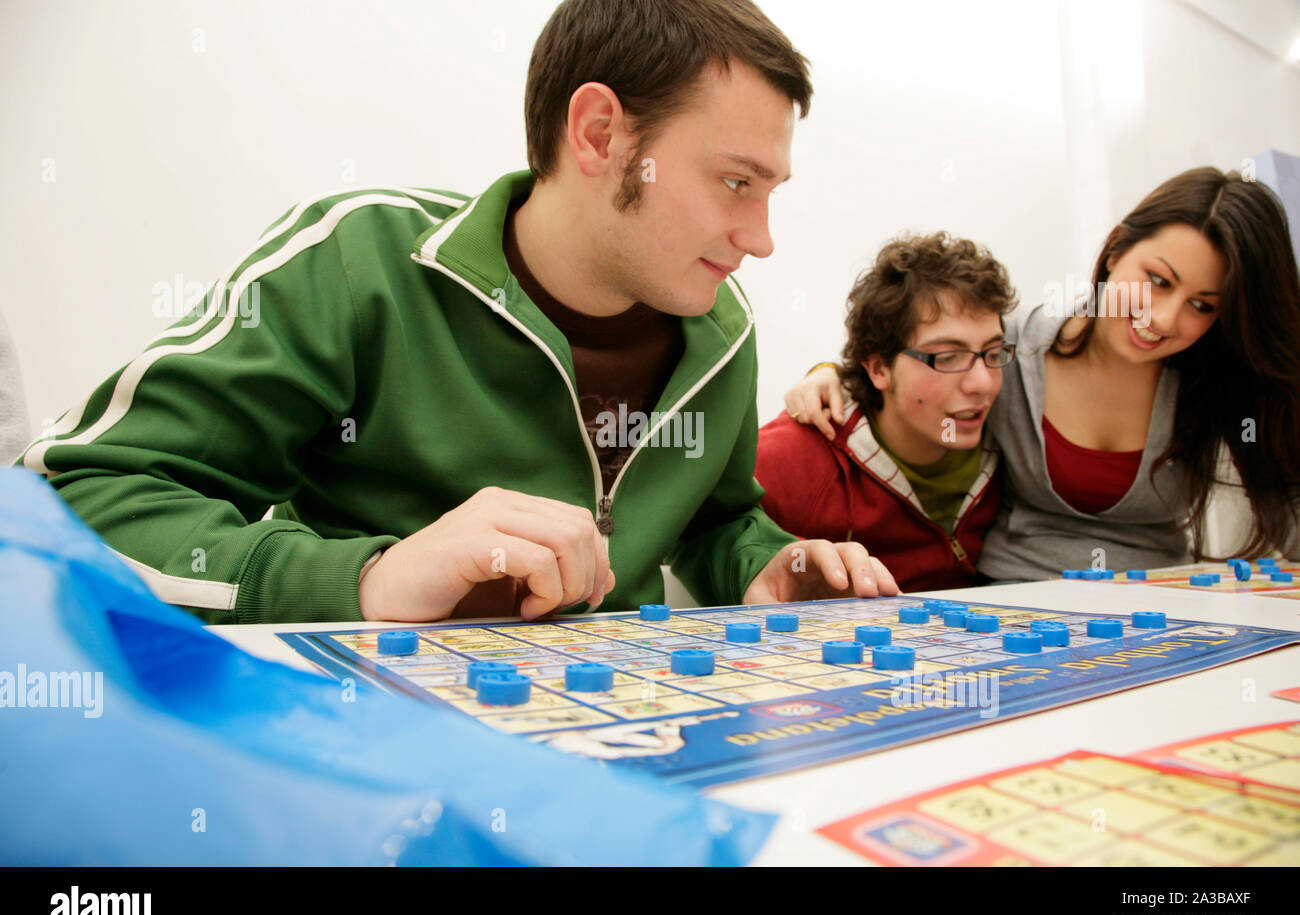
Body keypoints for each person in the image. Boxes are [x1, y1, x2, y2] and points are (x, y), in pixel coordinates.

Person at [18, 0, 900, 626]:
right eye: (735, 182)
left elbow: (714, 524)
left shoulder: (723, 329)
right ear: (599, 135)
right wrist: (363, 580)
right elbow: (72, 493)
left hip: (626, 753)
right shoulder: (357, 259)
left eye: (770, 192)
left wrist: (766, 567)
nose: (762, 239)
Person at [783, 168, 1300, 579]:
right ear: (1116, 251)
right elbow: (900, 357)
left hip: (1164, 607)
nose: (1164, 319)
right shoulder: (1005, 346)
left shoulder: (1216, 381)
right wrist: (827, 371)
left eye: (1203, 306)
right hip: (1018, 606)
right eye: (1158, 281)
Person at [757, 233, 1017, 591]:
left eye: (993, 352)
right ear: (879, 368)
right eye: (947, 357)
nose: (982, 383)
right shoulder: (794, 455)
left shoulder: (1013, 434)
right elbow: (701, 534)